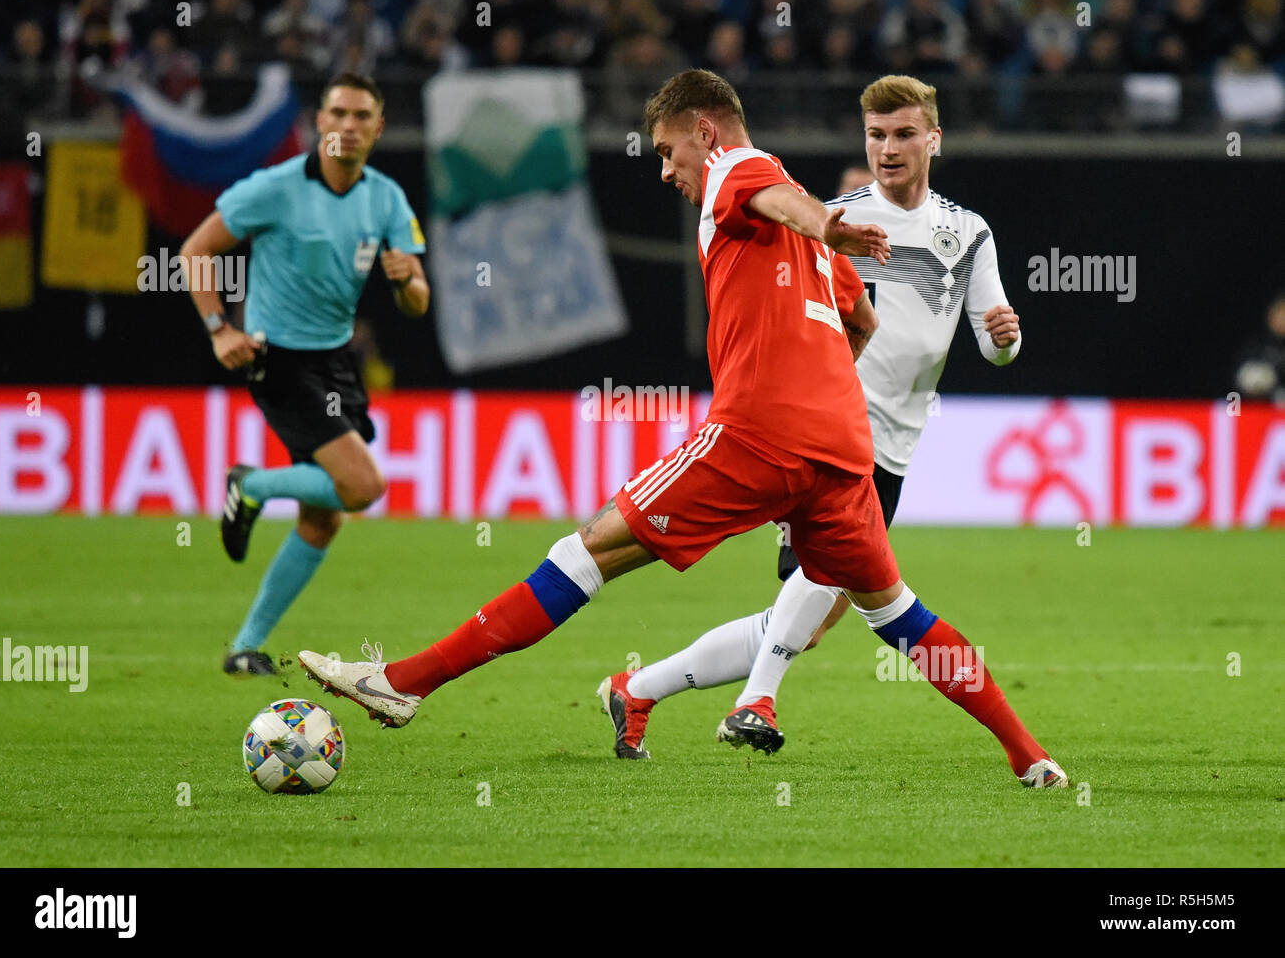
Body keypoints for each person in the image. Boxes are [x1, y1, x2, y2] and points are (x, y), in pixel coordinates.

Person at [299, 69, 1066, 790]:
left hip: (757, 433)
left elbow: (785, 207)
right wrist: (821, 367)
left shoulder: (741, 170)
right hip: (840, 450)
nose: (665, 169)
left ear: (704, 130)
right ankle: (1028, 754)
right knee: (895, 611)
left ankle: (402, 683)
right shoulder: (785, 194)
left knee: (589, 546)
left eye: (667, 151)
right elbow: (860, 317)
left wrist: (828, 227)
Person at [596, 74, 1040, 785]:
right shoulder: (825, 216)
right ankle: (756, 702)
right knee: (823, 588)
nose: (887, 149)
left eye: (902, 134)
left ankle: (638, 690)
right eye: (875, 135)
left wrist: (1005, 338)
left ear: (934, 139)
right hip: (821, 439)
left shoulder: (970, 233)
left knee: (809, 617)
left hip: (891, 452)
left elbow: (995, 345)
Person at [181, 72, 430, 676]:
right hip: (279, 358)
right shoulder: (275, 188)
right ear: (319, 122)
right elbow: (196, 250)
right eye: (338, 113)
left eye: (361, 116)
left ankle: (245, 647)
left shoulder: (386, 198)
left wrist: (406, 281)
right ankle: (253, 484)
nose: (348, 125)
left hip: (338, 360)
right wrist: (220, 329)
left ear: (378, 127)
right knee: (364, 487)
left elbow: (418, 301)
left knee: (326, 517)